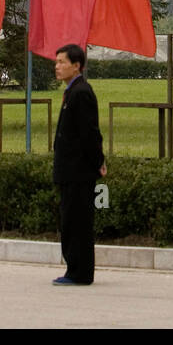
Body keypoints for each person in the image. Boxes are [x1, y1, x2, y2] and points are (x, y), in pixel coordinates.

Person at [51, 43, 106, 285]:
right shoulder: (72, 91)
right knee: (70, 220)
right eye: (56, 62)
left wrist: (98, 162)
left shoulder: (81, 92)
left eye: (62, 62)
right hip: (70, 171)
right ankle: (75, 268)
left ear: (77, 66)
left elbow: (90, 134)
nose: (57, 67)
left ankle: (80, 272)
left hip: (79, 171)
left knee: (78, 222)